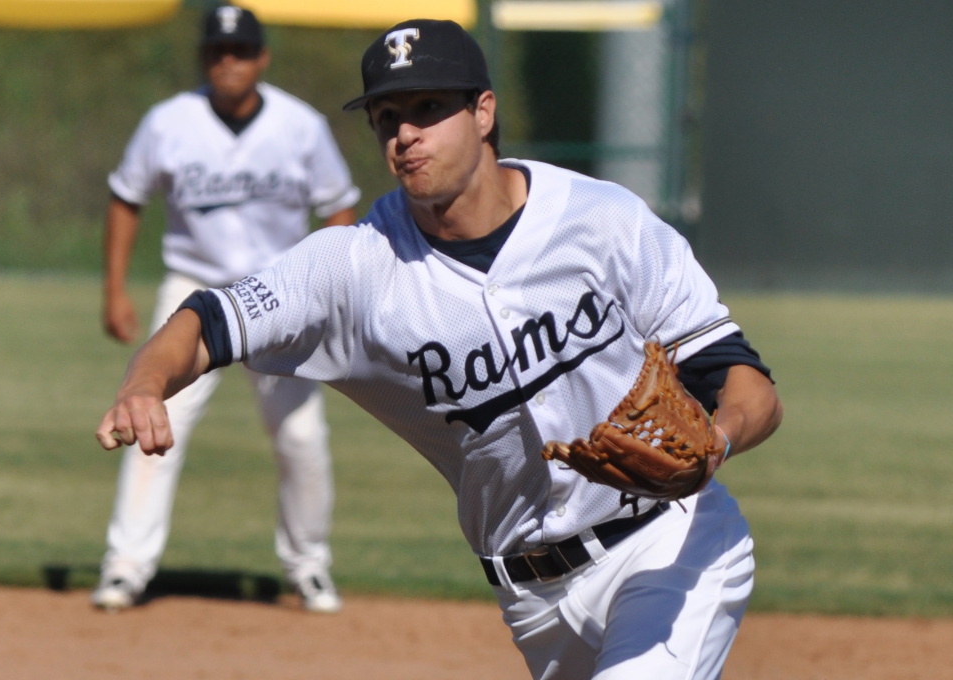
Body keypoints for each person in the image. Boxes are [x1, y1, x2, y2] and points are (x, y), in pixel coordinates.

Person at [96, 17, 783, 679]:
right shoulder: (355, 268)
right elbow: (210, 318)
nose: (406, 134)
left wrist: (713, 446)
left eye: (429, 108)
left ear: (484, 112)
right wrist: (145, 383)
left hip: (672, 546)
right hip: (533, 598)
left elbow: (745, 384)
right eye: (387, 118)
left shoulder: (601, 219)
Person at [92, 4, 360, 614]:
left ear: (261, 58)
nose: (228, 62)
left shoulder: (301, 125)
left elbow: (339, 207)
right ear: (204, 58)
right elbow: (125, 197)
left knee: (299, 436)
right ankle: (126, 566)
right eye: (217, 51)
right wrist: (113, 290)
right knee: (153, 424)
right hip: (193, 292)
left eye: (239, 52)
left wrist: (332, 289)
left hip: (281, 293)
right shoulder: (169, 123)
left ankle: (309, 565)